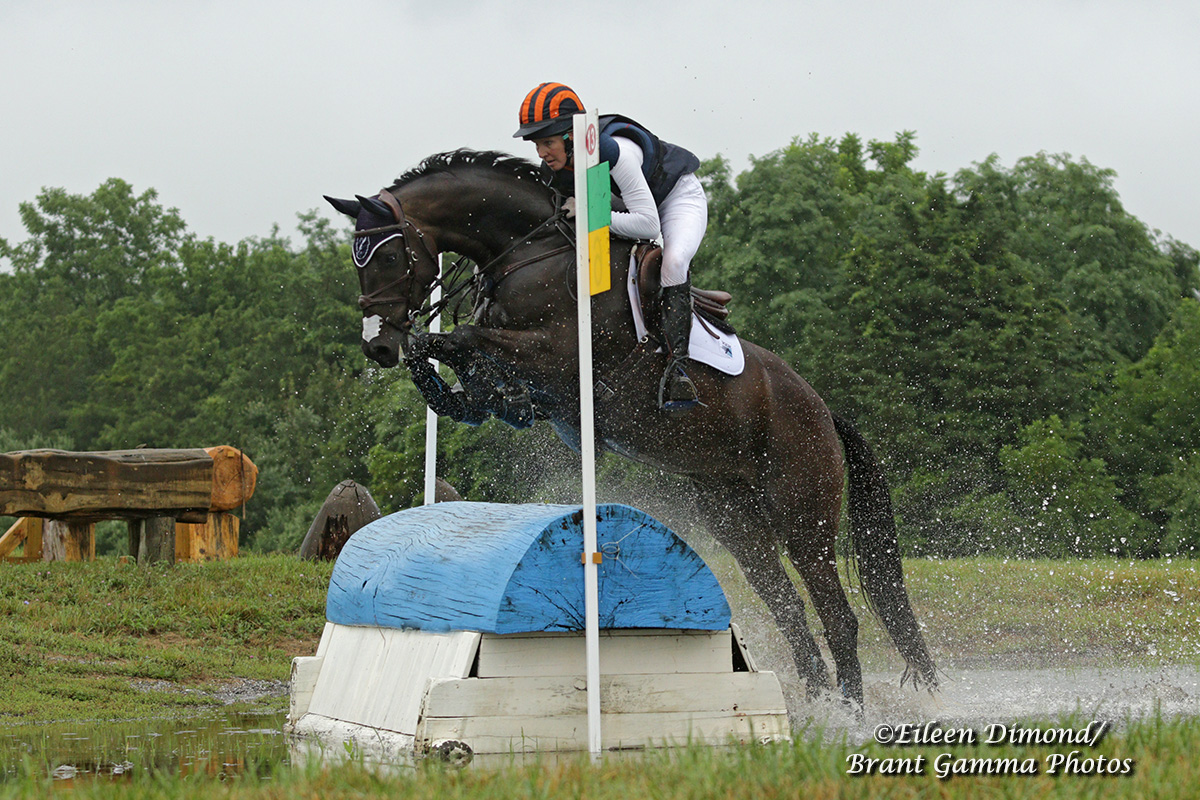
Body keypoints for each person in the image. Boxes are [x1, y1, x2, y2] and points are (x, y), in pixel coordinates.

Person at [514, 82, 707, 411]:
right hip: (622, 206)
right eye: (536, 144)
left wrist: (591, 215)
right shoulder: (556, 170)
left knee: (673, 261)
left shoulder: (616, 151)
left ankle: (678, 370)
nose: (542, 153)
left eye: (547, 142)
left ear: (570, 136)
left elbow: (648, 226)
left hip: (673, 200)